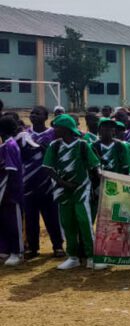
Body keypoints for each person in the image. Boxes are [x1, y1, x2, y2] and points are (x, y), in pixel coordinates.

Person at [42, 114, 105, 271]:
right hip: (63, 191)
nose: (54, 129)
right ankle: (73, 257)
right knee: (67, 223)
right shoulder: (54, 146)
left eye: (57, 126)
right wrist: (62, 183)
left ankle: (92, 257)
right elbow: (47, 167)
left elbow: (95, 166)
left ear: (66, 129)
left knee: (84, 222)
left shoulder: (83, 145)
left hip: (82, 190)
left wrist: (103, 179)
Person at [19, 106, 64, 259]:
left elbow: (59, 155)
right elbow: (19, 156)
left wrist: (47, 151)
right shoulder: (25, 134)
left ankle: (57, 246)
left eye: (37, 113)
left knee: (51, 217)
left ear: (46, 117)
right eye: (32, 113)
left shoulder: (53, 134)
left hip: (48, 183)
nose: (33, 115)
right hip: (28, 183)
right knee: (31, 218)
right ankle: (32, 248)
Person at [0, 114, 25, 266]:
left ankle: (17, 252)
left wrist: (10, 193)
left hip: (11, 194)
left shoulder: (10, 146)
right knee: (4, 222)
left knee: (13, 223)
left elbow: (12, 171)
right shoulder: (5, 145)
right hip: (3, 194)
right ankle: (5, 250)